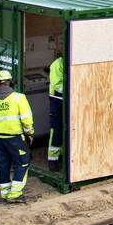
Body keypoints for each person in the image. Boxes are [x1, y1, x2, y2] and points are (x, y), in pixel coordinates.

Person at [0, 69, 34, 202]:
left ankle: (5, 193)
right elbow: (27, 120)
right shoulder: (19, 97)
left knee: (3, 165)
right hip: (16, 138)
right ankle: (15, 194)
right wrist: (29, 133)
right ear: (10, 82)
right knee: (22, 163)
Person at [47, 39, 64, 172]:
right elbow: (58, 85)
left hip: (68, 99)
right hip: (57, 100)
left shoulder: (69, 63)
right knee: (57, 130)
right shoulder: (57, 64)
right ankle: (53, 161)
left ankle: (63, 155)